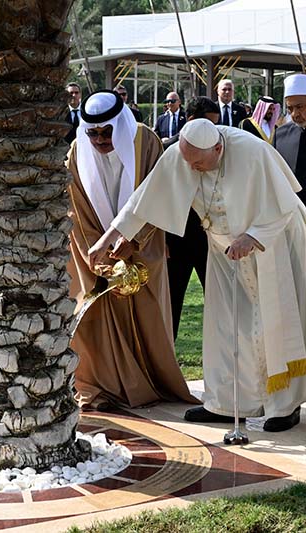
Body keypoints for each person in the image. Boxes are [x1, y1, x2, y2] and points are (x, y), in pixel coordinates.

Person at [88, 119, 306, 432]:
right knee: (225, 325)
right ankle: (225, 403)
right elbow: (143, 200)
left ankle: (284, 406)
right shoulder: (183, 155)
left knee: (274, 325)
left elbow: (283, 206)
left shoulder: (252, 152)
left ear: (219, 148)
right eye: (188, 161)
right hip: (225, 249)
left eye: (199, 163)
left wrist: (252, 236)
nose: (192, 169)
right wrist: (109, 236)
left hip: (271, 244)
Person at [65, 89, 197, 409]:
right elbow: (77, 213)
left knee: (146, 316)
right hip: (93, 255)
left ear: (119, 124)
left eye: (106, 131)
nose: (99, 139)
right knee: (97, 316)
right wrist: (103, 257)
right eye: (92, 133)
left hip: (143, 248)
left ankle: (150, 384)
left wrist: (133, 242)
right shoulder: (75, 153)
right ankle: (101, 387)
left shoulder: (146, 142)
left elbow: (160, 194)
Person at [162, 97, 215, 339]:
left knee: (219, 304)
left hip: (210, 241)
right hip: (176, 242)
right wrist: (160, 239)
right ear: (191, 120)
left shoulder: (220, 151)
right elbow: (156, 198)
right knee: (170, 307)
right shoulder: (168, 151)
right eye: (208, 124)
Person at [274, 74, 306, 218]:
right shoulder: (280, 134)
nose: (295, 114)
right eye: (290, 108)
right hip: (286, 216)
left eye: (300, 107)